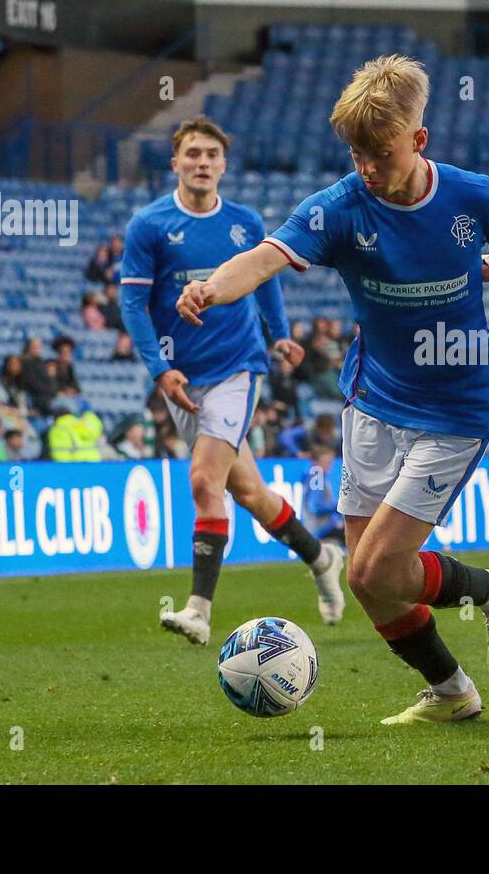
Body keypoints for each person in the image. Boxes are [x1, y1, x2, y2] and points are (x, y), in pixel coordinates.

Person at [176, 58, 489, 725]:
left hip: (456, 405)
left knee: (375, 571)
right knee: (368, 581)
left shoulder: (472, 197)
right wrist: (210, 286)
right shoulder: (339, 207)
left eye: (380, 152)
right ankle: (454, 690)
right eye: (356, 154)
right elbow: (262, 259)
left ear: (419, 141)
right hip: (373, 398)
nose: (367, 166)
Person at [120, 115, 346, 643]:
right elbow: (132, 303)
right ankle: (322, 557)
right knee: (248, 491)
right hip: (181, 375)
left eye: (211, 155)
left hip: (237, 367)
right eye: (192, 154)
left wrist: (280, 334)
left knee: (203, 481)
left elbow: (264, 277)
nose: (202, 163)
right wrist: (160, 370)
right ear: (175, 162)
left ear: (223, 164)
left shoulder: (244, 222)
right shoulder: (148, 225)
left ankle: (198, 609)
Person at [302, 443, 345, 545]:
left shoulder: (315, 476)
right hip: (319, 528)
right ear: (316, 462)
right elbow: (316, 506)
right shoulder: (316, 476)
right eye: (326, 462)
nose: (328, 466)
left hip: (320, 527)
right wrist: (338, 506)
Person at [18, 338, 58, 416]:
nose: (38, 349)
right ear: (28, 348)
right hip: (37, 399)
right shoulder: (26, 364)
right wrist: (51, 390)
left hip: (49, 396)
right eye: (35, 346)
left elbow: (51, 380)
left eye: (39, 347)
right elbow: (33, 385)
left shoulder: (42, 363)